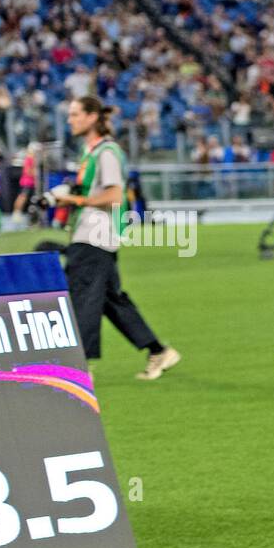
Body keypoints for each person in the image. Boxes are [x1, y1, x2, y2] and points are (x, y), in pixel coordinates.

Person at [56, 96, 181, 381]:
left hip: (93, 236)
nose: (69, 119)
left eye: (74, 114)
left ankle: (80, 365)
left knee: (81, 296)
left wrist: (75, 199)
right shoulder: (93, 152)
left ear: (91, 117)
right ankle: (158, 351)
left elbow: (114, 196)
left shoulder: (107, 152)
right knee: (111, 300)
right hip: (95, 234)